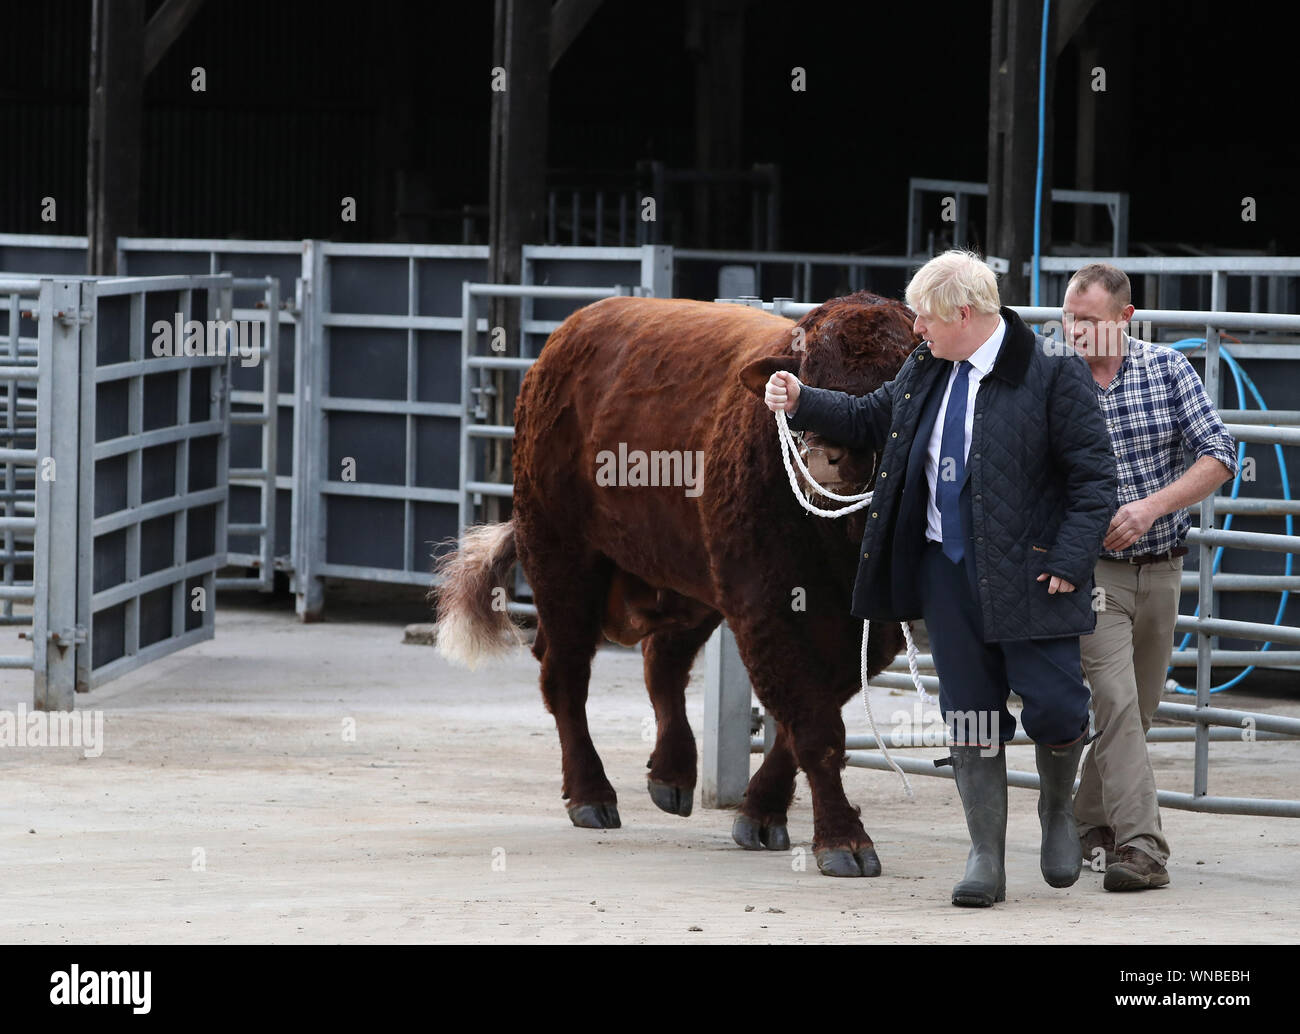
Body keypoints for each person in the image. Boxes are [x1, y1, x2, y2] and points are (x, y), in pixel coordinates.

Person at [764, 250, 1117, 907]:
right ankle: (985, 855)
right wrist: (802, 399)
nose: (917, 329)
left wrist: (1070, 561)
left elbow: (1095, 480)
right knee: (972, 716)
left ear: (963, 313)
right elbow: (870, 417)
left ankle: (1057, 812)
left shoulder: (1051, 374)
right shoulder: (925, 368)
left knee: (1059, 707)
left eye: (925, 317)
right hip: (946, 574)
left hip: (1034, 576)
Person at [1062, 263, 1237, 891]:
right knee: (1115, 702)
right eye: (1067, 318)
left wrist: (1150, 507)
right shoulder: (1055, 381)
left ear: (1125, 319)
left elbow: (1221, 454)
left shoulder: (1167, 370)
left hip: (1163, 567)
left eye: (1088, 321)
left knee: (1135, 711)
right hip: (1093, 576)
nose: (1074, 332)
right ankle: (1142, 847)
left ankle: (1081, 821)